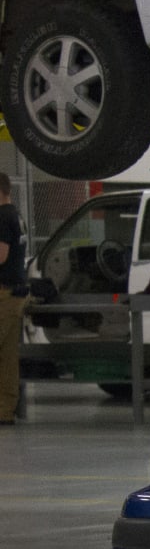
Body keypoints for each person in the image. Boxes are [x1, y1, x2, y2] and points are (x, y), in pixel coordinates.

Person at [0, 173, 25, 425]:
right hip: (16, 292)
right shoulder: (16, 215)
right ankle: (5, 410)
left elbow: (1, 255)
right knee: (7, 357)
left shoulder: (2, 216)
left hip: (4, 294)